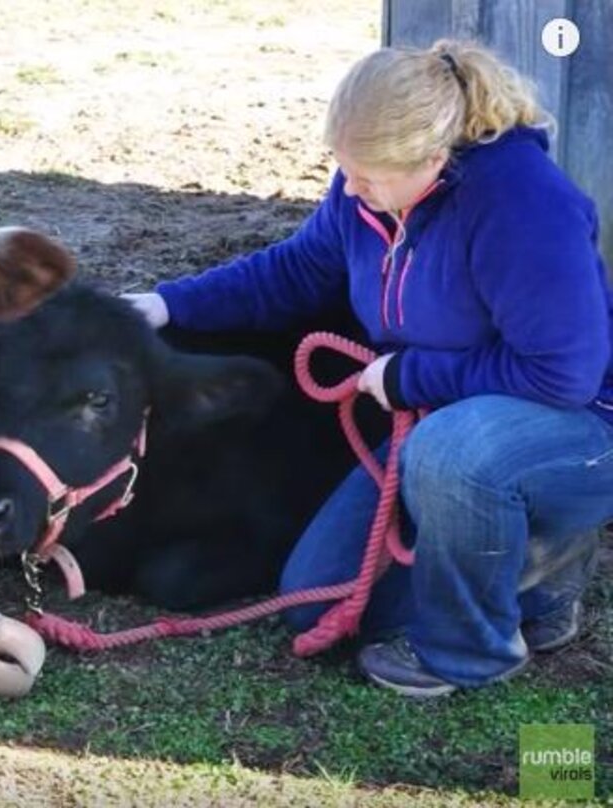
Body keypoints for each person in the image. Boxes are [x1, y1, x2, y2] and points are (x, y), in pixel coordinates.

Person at [123, 40, 613, 697]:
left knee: (452, 452)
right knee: (316, 600)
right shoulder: (371, 190)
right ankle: (536, 576)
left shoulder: (522, 205)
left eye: (369, 177)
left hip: (577, 431)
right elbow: (296, 269)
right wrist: (167, 303)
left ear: (433, 159)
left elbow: (562, 374)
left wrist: (408, 377)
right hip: (452, 431)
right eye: (345, 170)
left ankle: (470, 650)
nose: (351, 188)